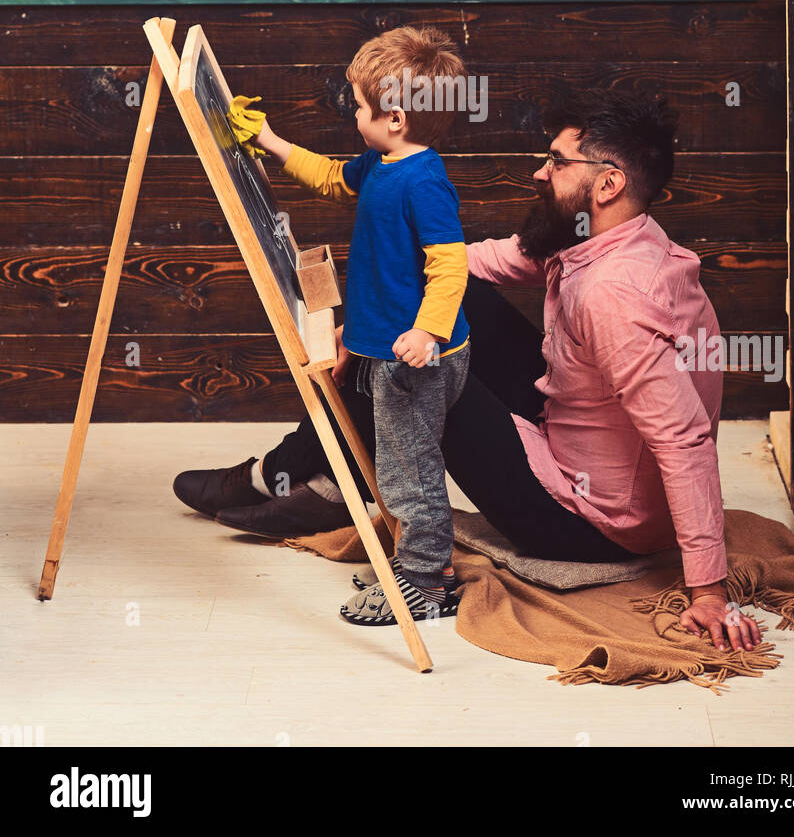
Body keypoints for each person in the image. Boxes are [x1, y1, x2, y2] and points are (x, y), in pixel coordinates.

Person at [174, 86, 760, 654]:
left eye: (556, 162)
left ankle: (290, 478)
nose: (539, 173)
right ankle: (320, 478)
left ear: (607, 183)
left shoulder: (615, 295)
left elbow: (683, 439)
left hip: (586, 519)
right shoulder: (610, 238)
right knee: (439, 300)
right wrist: (395, 297)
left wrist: (707, 589)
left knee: (411, 365)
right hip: (574, 431)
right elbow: (478, 262)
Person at [179, 25, 472, 626]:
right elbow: (334, 177)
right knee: (393, 463)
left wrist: (427, 334)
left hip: (413, 358)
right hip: (384, 352)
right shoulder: (384, 163)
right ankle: (411, 556)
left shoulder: (425, 182)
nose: (354, 115)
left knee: (408, 472)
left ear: (393, 117)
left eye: (361, 107)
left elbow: (451, 266)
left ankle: (426, 581)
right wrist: (269, 141)